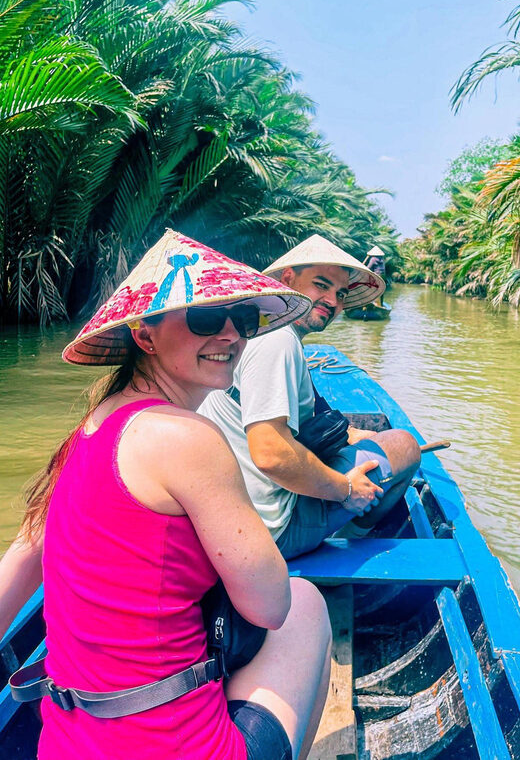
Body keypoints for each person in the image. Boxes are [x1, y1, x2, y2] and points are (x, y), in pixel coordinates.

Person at [0, 230, 332, 760]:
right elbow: (271, 605)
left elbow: (25, 551)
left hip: (67, 744)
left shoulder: (90, 427)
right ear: (145, 336)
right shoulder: (189, 438)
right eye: (204, 319)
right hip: (172, 748)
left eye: (243, 321)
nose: (231, 336)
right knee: (307, 605)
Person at [199, 233, 421, 560]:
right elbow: (271, 454)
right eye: (321, 285)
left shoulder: (256, 327)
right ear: (288, 279)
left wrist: (350, 434)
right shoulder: (279, 342)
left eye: (341, 293)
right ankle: (344, 547)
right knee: (405, 446)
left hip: (225, 518)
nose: (333, 301)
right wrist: (346, 489)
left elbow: (305, 416)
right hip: (269, 532)